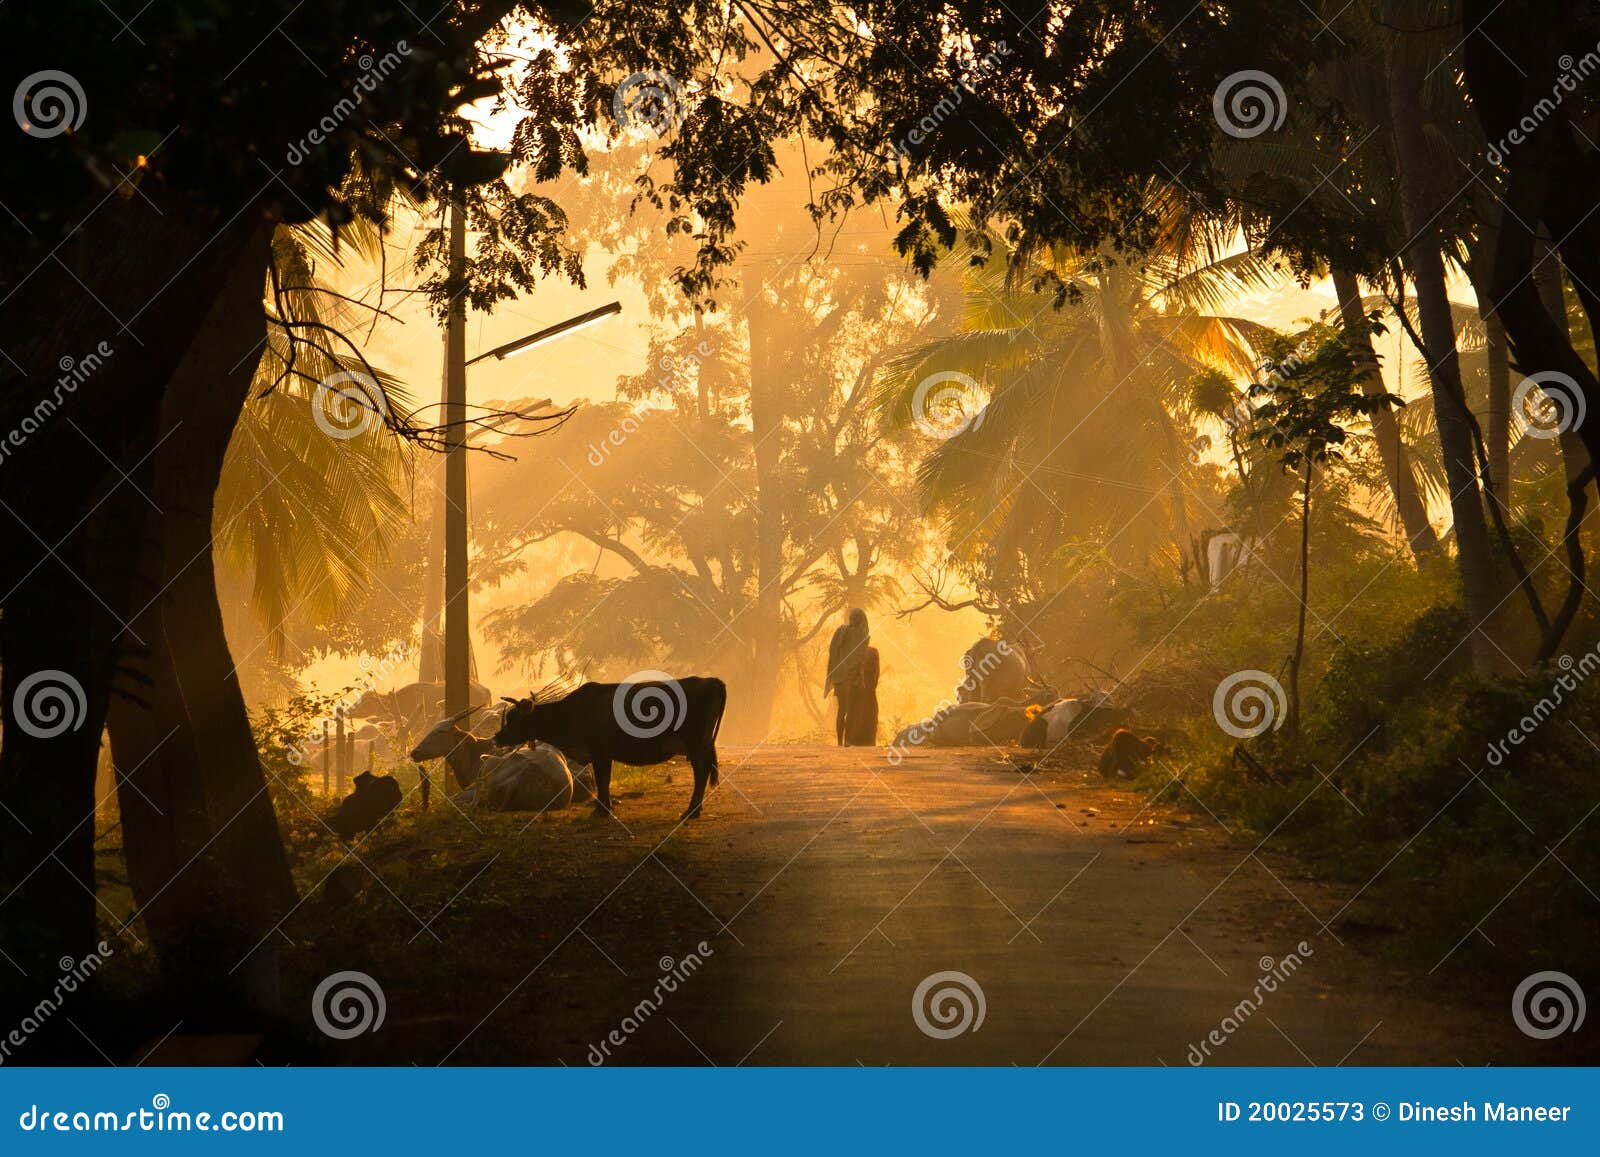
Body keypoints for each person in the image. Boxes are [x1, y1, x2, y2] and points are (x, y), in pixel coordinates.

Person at [825, 608, 880, 746]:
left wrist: (835, 674)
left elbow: (832, 652)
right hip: (852, 679)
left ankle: (839, 742)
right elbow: (858, 659)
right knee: (851, 711)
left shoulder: (840, 631)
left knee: (841, 710)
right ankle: (847, 741)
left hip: (839, 678)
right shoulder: (861, 635)